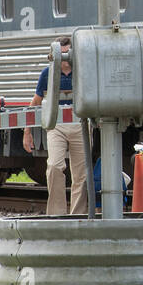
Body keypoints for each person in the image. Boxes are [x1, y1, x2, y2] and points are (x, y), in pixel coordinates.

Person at [22, 35, 88, 217]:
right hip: (56, 126)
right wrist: (27, 132)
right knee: (55, 166)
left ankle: (78, 215)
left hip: (80, 125)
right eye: (62, 54)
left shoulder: (83, 71)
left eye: (68, 54)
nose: (65, 59)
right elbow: (35, 102)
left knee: (81, 174)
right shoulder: (47, 73)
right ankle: (57, 214)